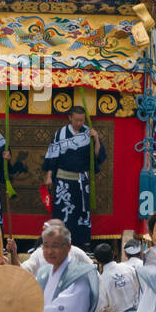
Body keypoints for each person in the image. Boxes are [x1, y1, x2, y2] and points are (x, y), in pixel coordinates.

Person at [42, 106, 106, 249]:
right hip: (63, 179)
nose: (79, 123)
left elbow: (98, 155)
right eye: (76, 120)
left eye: (82, 120)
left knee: (82, 212)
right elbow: (53, 157)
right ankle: (59, 242)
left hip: (81, 181)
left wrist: (96, 138)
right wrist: (49, 177)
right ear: (70, 118)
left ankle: (82, 244)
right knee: (62, 212)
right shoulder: (60, 134)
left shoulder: (88, 132)